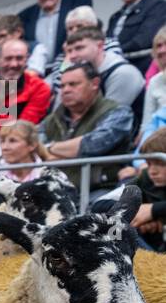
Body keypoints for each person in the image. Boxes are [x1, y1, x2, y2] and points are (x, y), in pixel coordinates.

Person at [40, 62, 135, 195]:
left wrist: (49, 148)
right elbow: (33, 148)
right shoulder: (52, 119)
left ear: (95, 83)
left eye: (73, 84)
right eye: (62, 86)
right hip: (56, 192)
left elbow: (92, 145)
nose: (65, 90)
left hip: (101, 189)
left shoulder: (118, 112)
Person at [19, 0, 93, 69]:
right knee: (1, 83)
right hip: (36, 70)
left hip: (68, 66)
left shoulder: (78, 2)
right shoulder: (25, 16)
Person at [64, 26, 145, 114]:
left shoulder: (123, 73)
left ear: (100, 46)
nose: (72, 56)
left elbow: (108, 118)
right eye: (69, 51)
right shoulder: (85, 75)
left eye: (79, 48)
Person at [0, 119, 52, 210]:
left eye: (12, 141)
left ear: (32, 145)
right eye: (2, 141)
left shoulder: (50, 176)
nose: (4, 147)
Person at [107, 0, 166, 74]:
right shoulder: (115, 17)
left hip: (143, 69)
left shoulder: (157, 6)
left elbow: (144, 40)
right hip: (118, 69)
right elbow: (107, 41)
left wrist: (112, 52)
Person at [116, 126, 166, 250]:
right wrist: (137, 214)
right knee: (117, 231)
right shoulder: (145, 178)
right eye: (148, 164)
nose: (152, 171)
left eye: (161, 163)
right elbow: (102, 204)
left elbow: (152, 210)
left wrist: (153, 210)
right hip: (153, 248)